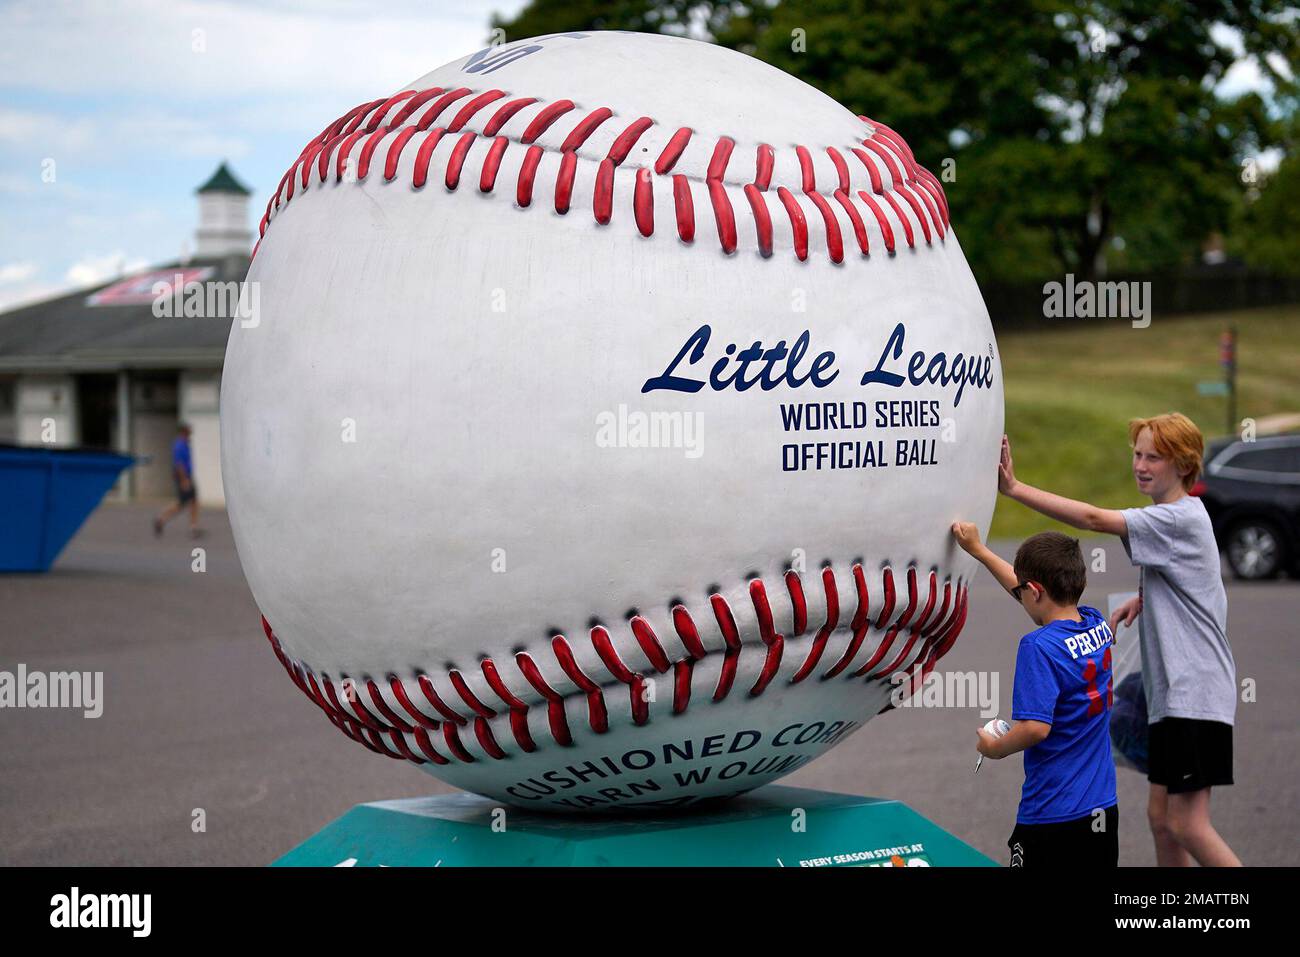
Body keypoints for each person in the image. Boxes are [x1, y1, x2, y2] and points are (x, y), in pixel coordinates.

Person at [998, 412, 1240, 866]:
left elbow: (1092, 517)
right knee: (1161, 820)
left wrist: (1015, 489)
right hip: (1171, 698)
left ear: (1185, 466)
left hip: (1196, 695)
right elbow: (1187, 577)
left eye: (1156, 457)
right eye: (1138, 454)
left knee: (1188, 824)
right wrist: (1145, 597)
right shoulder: (1171, 518)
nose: (1142, 464)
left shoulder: (1177, 517)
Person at [952, 524, 1118, 868]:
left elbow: (1035, 728)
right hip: (1101, 807)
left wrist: (993, 748)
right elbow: (1031, 593)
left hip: (1053, 814)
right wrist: (980, 552)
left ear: (1035, 591)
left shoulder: (1038, 647)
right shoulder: (1095, 622)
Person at [153, 422, 203, 538]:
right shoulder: (179, 445)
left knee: (194, 501)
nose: (191, 432)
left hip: (187, 476)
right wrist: (184, 480)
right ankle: (160, 519)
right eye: (189, 431)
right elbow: (179, 464)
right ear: (183, 432)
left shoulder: (185, 444)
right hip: (183, 477)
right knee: (181, 504)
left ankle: (193, 527)